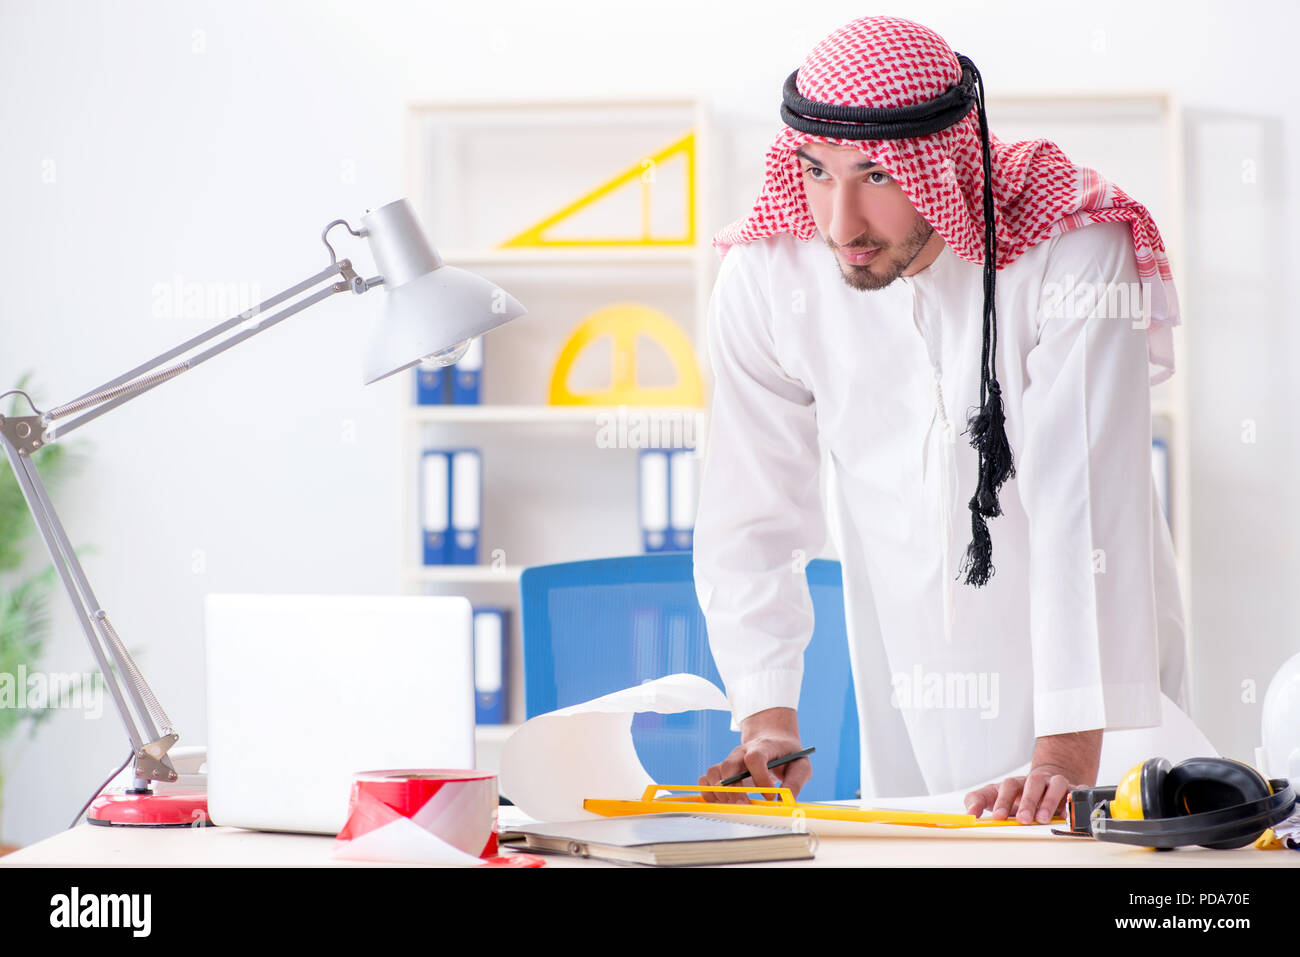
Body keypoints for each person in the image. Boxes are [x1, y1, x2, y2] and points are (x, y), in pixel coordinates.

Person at [693, 15, 1189, 824]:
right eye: (816, 172)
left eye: (877, 177)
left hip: (1098, 698)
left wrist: (1065, 752)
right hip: (911, 669)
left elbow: (1083, 506)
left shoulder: (1070, 250)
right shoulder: (765, 276)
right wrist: (767, 717)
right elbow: (751, 513)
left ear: (942, 162)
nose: (841, 223)